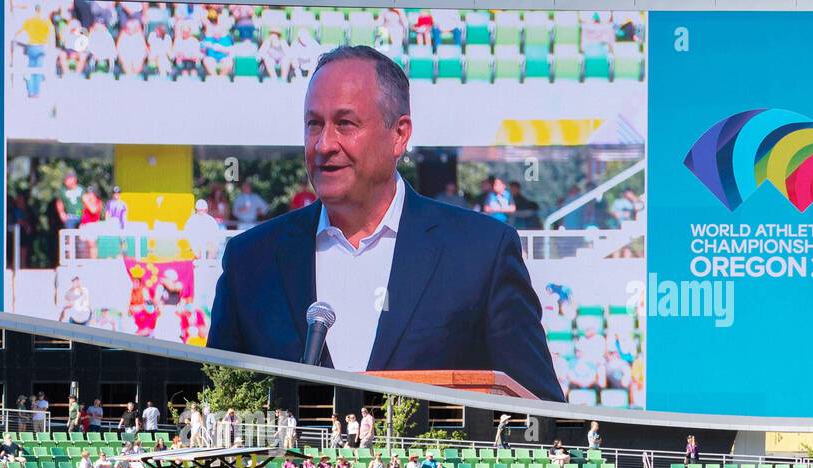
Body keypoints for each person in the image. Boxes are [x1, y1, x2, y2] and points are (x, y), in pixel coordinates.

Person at [207, 45, 563, 402]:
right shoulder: (250, 260)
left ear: (399, 134)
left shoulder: (481, 253)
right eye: (314, 124)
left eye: (345, 124)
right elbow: (217, 408)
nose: (324, 144)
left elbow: (544, 417)